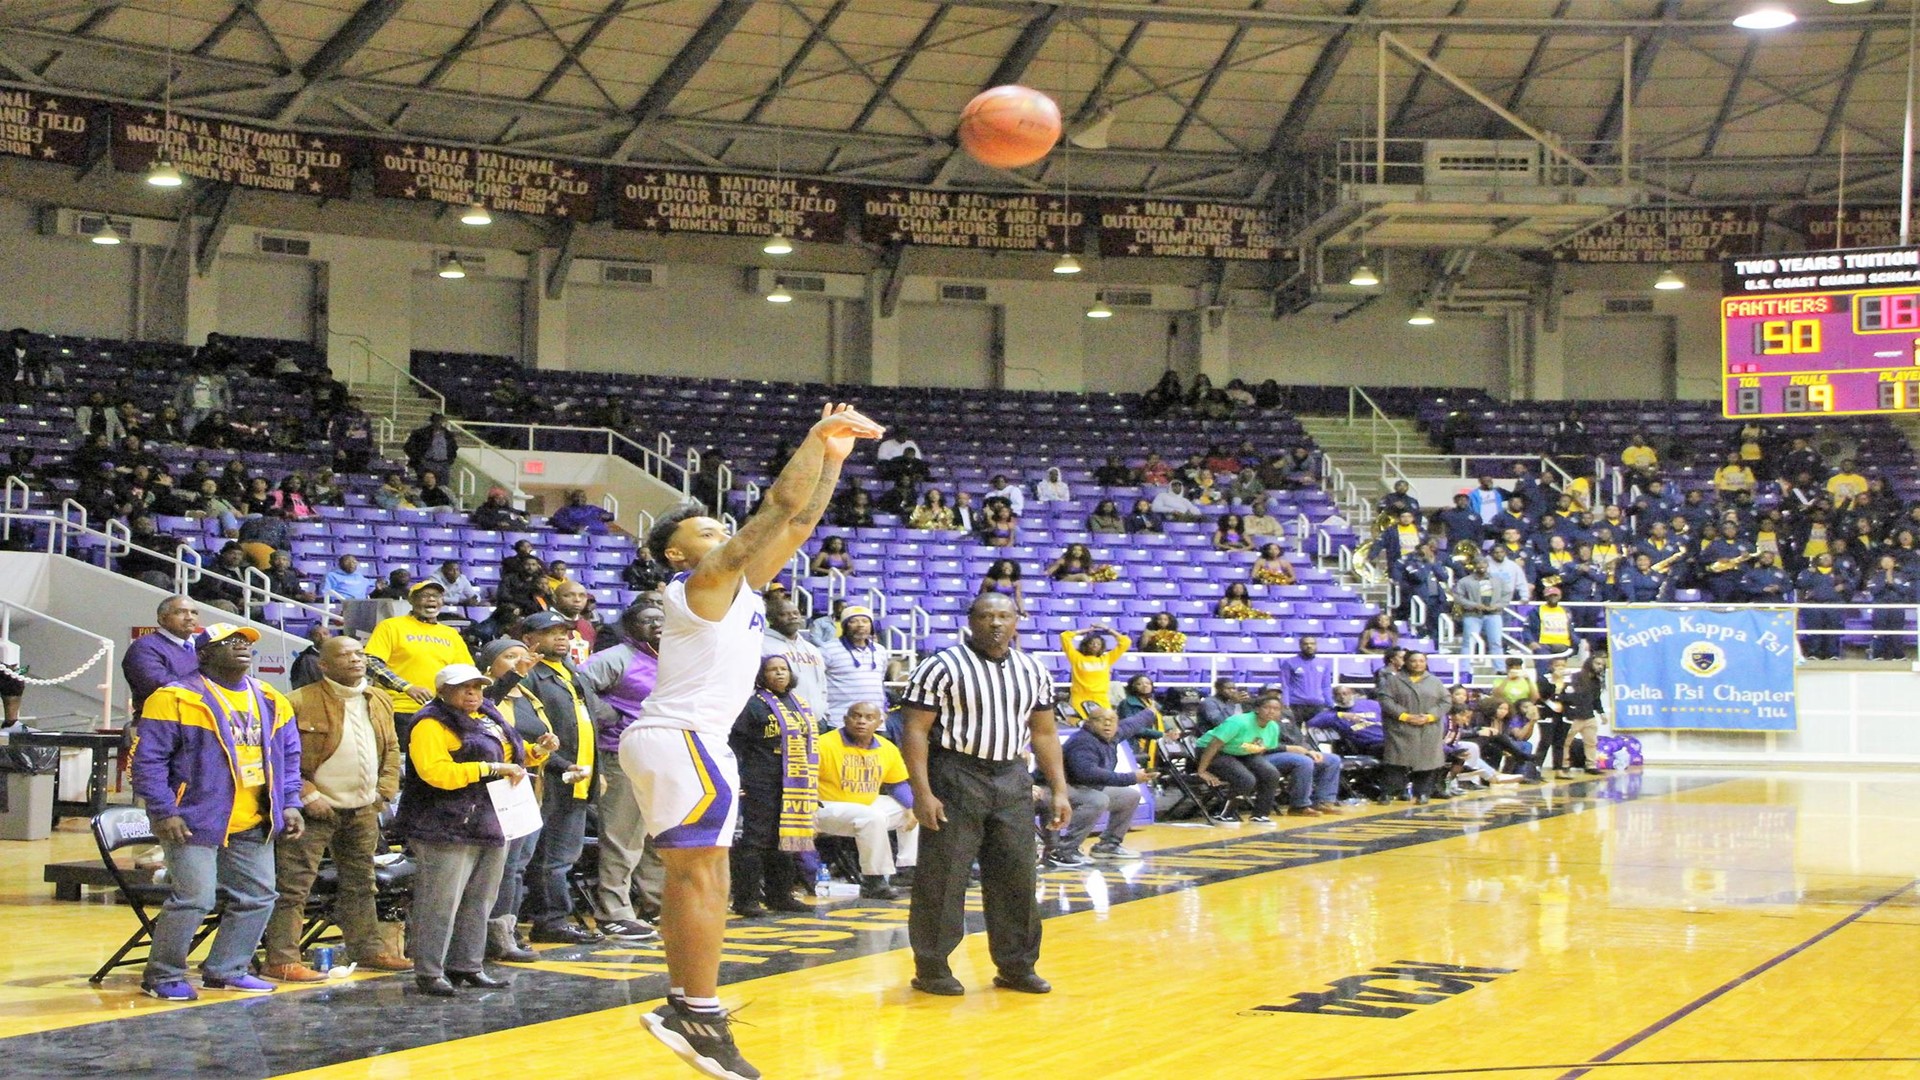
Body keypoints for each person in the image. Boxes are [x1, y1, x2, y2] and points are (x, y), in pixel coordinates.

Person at [620, 402, 882, 1080]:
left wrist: (833, 462)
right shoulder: (702, 581)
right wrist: (814, 438)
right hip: (685, 738)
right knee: (705, 877)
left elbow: (799, 520)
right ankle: (698, 1014)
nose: (726, 532)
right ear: (679, 553)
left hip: (678, 739)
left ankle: (684, 1003)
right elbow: (775, 505)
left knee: (700, 878)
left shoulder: (740, 588)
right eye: (710, 529)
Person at [901, 591, 1067, 998]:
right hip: (956, 772)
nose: (996, 623)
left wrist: (1060, 789)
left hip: (1012, 776)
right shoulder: (941, 666)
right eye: (987, 616)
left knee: (1017, 875)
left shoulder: (1034, 670)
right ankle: (933, 967)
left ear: (1016, 622)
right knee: (944, 875)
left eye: (1004, 616)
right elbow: (915, 730)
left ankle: (1016, 965)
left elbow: (1044, 733)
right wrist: (922, 792)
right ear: (971, 621)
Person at [130, 623, 304, 1000]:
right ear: (204, 654)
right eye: (229, 643)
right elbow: (148, 761)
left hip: (253, 818)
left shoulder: (272, 698)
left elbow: (290, 757)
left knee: (258, 897)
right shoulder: (175, 697)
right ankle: (162, 975)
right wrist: (163, 810)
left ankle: (227, 969)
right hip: (192, 818)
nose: (241, 647)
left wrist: (290, 802)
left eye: (245, 642)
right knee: (195, 898)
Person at [395, 663, 556, 997]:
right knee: (440, 901)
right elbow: (435, 773)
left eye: (478, 687)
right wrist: (490, 768)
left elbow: (513, 754)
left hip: (490, 818)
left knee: (481, 899)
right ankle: (429, 971)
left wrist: (538, 751)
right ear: (443, 690)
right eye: (464, 688)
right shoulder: (430, 722)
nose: (473, 694)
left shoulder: (488, 715)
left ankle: (467, 965)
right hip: (443, 824)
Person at [261, 636, 410, 981]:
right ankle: (281, 958)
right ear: (324, 665)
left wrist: (383, 793)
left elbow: (391, 750)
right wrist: (307, 794)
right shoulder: (297, 701)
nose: (356, 660)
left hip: (363, 809)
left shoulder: (379, 698)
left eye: (359, 654)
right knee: (294, 886)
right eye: (345, 655)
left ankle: (368, 950)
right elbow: (276, 757)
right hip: (313, 811)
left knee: (362, 883)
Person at [517, 610, 609, 944]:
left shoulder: (572, 672)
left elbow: (590, 723)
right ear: (530, 640)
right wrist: (557, 763)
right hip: (549, 776)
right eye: (551, 632)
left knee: (563, 856)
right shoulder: (528, 675)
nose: (561, 637)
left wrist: (596, 772)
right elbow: (524, 730)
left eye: (565, 632)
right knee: (549, 857)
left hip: (579, 777)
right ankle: (550, 920)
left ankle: (554, 917)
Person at [579, 602, 668, 938]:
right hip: (621, 754)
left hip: (661, 756)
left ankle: (656, 903)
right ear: (630, 628)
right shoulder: (616, 656)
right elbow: (577, 685)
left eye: (661, 619)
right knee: (622, 837)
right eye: (647, 620)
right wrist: (607, 714)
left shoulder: (674, 658)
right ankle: (612, 911)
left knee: (656, 835)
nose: (657, 624)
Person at [727, 655, 819, 918]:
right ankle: (746, 899)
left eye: (783, 669)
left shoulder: (799, 703)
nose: (779, 674)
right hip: (760, 776)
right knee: (757, 837)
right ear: (761, 674)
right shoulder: (752, 704)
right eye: (772, 670)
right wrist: (738, 778)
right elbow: (736, 744)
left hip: (794, 778)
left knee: (787, 835)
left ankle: (780, 895)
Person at [474, 638, 548, 962]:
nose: (520, 661)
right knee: (500, 868)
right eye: (509, 656)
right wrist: (515, 674)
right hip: (492, 791)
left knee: (517, 867)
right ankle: (489, 936)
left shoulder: (531, 698)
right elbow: (489, 701)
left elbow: (521, 745)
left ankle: (508, 930)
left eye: (522, 656)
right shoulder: (481, 696)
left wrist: (543, 748)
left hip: (526, 790)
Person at [814, 700, 917, 898]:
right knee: (873, 816)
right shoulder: (823, 744)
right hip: (825, 807)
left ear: (879, 723)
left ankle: (907, 869)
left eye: (869, 718)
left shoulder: (886, 748)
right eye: (856, 716)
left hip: (864, 805)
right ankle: (874, 881)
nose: (862, 721)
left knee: (913, 809)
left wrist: (911, 807)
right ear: (845, 719)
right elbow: (805, 781)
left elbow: (897, 784)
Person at [1044, 705, 1159, 866]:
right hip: (1052, 789)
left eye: (1111, 720)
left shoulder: (1112, 735)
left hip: (1078, 786)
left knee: (1130, 796)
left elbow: (1132, 724)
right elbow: (1086, 774)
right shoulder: (1083, 742)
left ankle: (1108, 845)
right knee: (1097, 799)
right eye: (1101, 720)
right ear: (1089, 723)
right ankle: (1064, 850)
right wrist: (1131, 777)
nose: (1107, 724)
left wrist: (1150, 712)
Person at [365, 579, 475, 725]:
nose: (431, 599)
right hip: (398, 710)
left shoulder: (451, 634)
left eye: (436, 596)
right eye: (425, 595)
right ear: (412, 600)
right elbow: (370, 662)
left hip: (440, 712)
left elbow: (466, 672)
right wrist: (407, 687)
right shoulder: (391, 626)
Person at [1193, 696, 1284, 822]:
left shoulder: (1273, 727)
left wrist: (1257, 767)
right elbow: (1214, 744)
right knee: (1246, 779)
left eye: (1276, 709)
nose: (1271, 711)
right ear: (1257, 709)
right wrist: (1202, 771)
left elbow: (1262, 748)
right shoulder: (1239, 722)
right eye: (1267, 707)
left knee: (1271, 773)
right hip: (1212, 751)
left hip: (1241, 753)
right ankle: (1224, 814)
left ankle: (1260, 814)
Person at [1376, 651, 1450, 803]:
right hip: (1400, 728)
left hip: (1428, 728)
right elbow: (1385, 700)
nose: (1418, 664)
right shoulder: (1393, 681)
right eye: (1414, 661)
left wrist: (1429, 716)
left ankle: (1422, 793)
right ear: (1406, 662)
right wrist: (1405, 716)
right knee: (1396, 762)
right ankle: (1389, 792)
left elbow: (1446, 701)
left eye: (1421, 661)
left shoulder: (1435, 681)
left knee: (1427, 763)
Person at [123, 596, 202, 718]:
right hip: (160, 723)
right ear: (162, 618)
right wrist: (210, 689)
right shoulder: (144, 647)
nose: (189, 617)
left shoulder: (206, 646)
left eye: (194, 612)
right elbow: (160, 685)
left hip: (201, 721)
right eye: (180, 612)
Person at [820, 602, 887, 728]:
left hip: (875, 723)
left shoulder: (881, 651)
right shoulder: (827, 649)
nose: (861, 625)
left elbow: (880, 683)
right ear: (845, 626)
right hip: (838, 721)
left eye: (865, 621)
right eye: (854, 621)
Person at [1060, 623, 1130, 719]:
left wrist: (1108, 629)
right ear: (1086, 645)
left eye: (1098, 644)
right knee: (1080, 724)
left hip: (1101, 697)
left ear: (1102, 647)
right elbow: (1064, 636)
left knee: (1106, 722)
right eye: (1092, 643)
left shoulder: (1107, 658)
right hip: (1080, 697)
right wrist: (1085, 631)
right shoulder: (1076, 657)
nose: (1095, 645)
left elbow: (1125, 642)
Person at [1276, 636, 1334, 727]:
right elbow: (1285, 685)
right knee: (1294, 733)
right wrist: (1285, 703)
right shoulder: (1289, 662)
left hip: (1317, 704)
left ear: (1316, 646)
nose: (1309, 646)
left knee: (1316, 734)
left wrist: (1330, 704)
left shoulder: (1324, 663)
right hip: (1296, 704)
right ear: (1300, 646)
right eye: (1306, 644)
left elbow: (1326, 685)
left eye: (1312, 644)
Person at [404, 413, 457, 481]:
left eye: (441, 421)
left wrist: (450, 460)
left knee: (443, 485)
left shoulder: (448, 435)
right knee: (426, 484)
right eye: (437, 421)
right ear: (433, 421)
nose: (440, 423)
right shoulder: (421, 433)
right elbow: (409, 447)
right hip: (427, 463)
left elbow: (453, 448)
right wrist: (419, 459)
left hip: (443, 464)